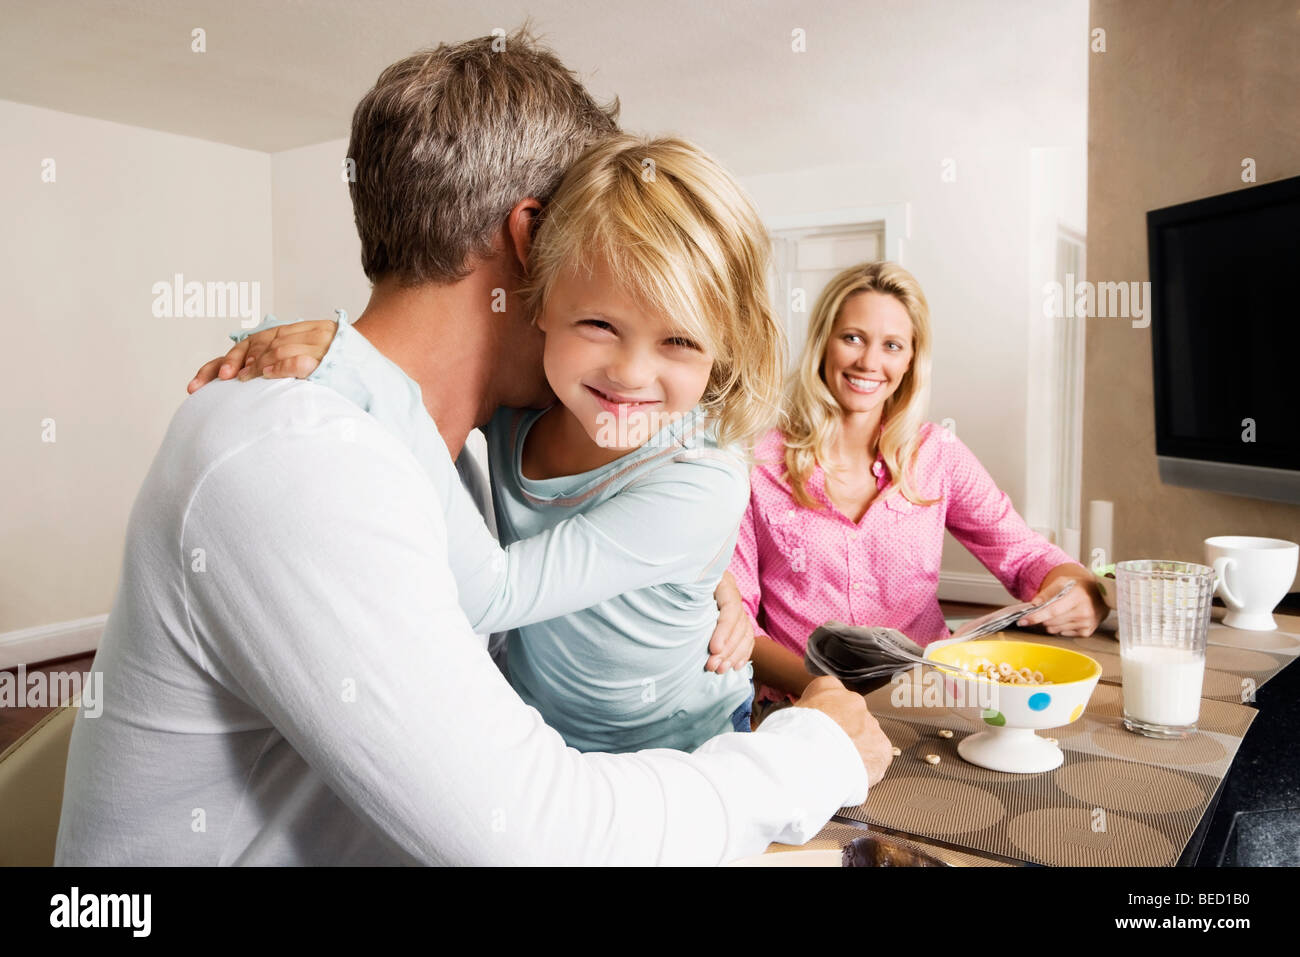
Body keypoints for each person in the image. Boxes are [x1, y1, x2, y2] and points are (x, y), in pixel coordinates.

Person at [54, 30, 891, 867]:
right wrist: (815, 749)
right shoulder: (302, 457)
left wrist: (707, 581)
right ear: (538, 241)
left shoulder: (446, 445)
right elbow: (532, 836)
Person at [204, 134, 785, 752]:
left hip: (680, 743)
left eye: (680, 341)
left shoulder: (703, 477)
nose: (631, 374)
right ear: (540, 299)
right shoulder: (525, 409)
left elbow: (495, 593)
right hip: (549, 732)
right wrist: (297, 349)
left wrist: (367, 373)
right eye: (598, 325)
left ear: (725, 344)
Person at [730, 261, 1107, 709]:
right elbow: (737, 620)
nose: (869, 362)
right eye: (852, 337)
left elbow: (1027, 556)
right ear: (823, 342)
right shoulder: (757, 462)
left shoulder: (937, 454)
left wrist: (1085, 593)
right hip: (803, 706)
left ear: (911, 359)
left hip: (926, 702)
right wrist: (822, 691)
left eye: (892, 345)